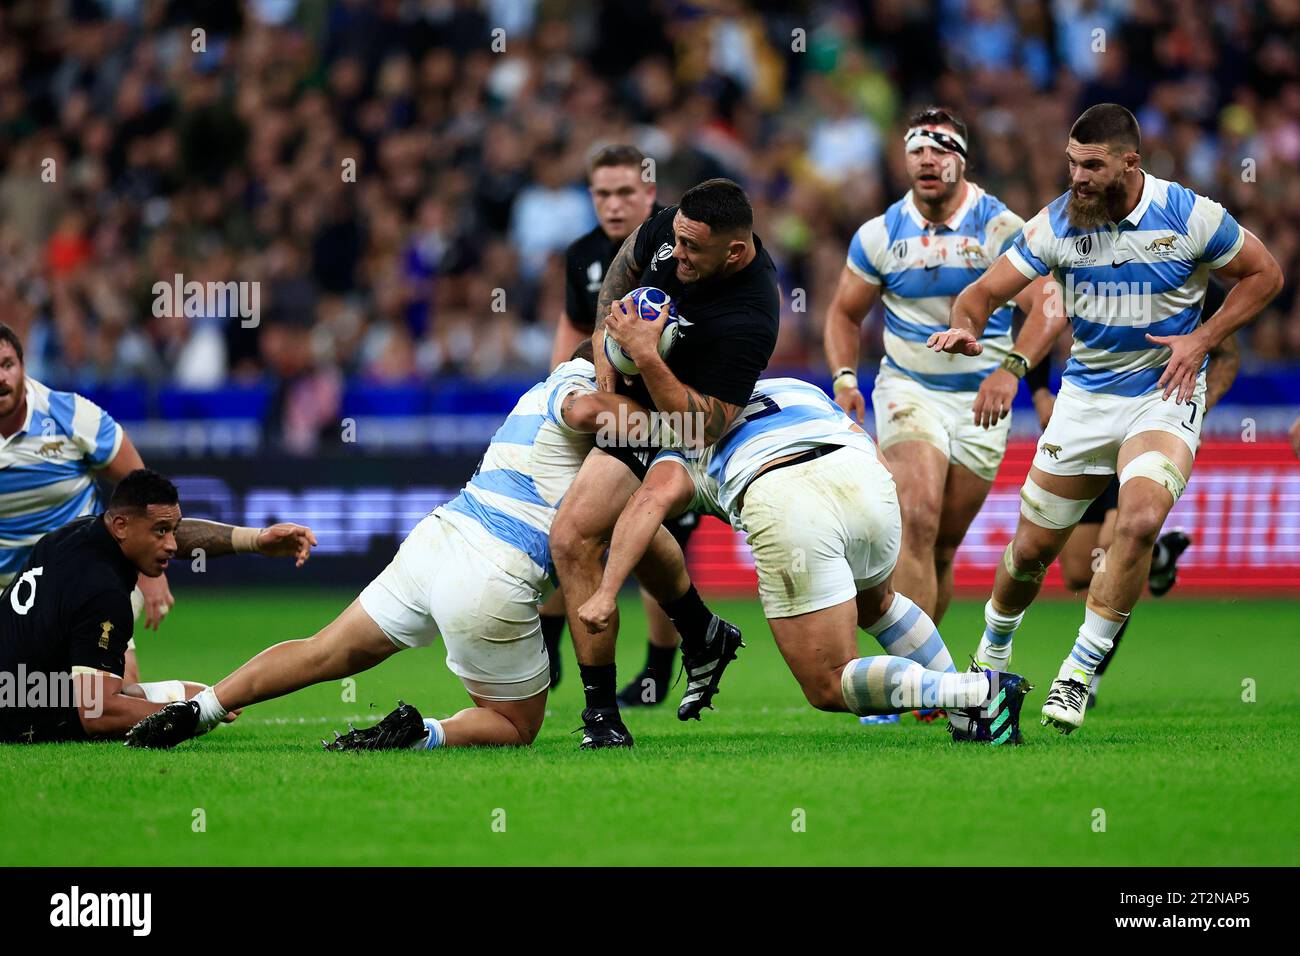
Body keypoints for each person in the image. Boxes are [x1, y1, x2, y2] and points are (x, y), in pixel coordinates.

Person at [124, 346, 687, 751]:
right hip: (494, 573)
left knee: (323, 651)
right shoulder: (602, 404)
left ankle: (202, 709)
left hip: (438, 539)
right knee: (516, 725)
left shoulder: (566, 370)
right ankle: (425, 734)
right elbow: (590, 417)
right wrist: (668, 417)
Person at [928, 103, 1283, 734]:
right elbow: (983, 293)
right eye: (1071, 163)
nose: (1078, 178)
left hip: (1162, 393)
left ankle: (1078, 673)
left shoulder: (1190, 216)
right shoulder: (1058, 222)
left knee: (1141, 519)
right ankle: (993, 651)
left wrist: (1201, 339)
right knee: (1032, 553)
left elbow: (1266, 275)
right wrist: (964, 326)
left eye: (1091, 165)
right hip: (1084, 401)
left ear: (1130, 162)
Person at [575, 377, 1031, 744]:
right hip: (864, 477)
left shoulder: (682, 437)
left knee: (829, 682)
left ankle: (973, 691)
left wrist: (607, 592)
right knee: (880, 602)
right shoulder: (791, 385)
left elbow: (646, 506)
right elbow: (860, 436)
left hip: (785, 495)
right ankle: (969, 716)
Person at [550, 178, 780, 749]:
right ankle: (703, 634)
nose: (676, 257)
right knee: (600, 514)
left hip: (675, 422)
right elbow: (623, 267)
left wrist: (646, 357)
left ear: (734, 251)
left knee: (573, 536)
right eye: (675, 241)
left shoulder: (752, 313)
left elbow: (704, 426)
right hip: (629, 393)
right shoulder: (680, 226)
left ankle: (602, 716)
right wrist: (607, 348)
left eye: (691, 250)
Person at [823, 107, 1056, 627]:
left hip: (981, 402)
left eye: (941, 149)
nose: (927, 159)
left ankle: (927, 673)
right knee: (917, 519)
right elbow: (843, 313)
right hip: (910, 388)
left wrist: (1012, 371)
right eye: (916, 150)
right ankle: (911, 678)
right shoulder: (880, 235)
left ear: (963, 161)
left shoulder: (1000, 228)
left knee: (943, 545)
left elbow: (1049, 305)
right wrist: (844, 377)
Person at [0, 469, 316, 743]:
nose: (172, 545)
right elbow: (97, 713)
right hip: (22, 715)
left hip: (18, 687)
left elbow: (169, 533)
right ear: (121, 526)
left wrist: (255, 540)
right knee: (172, 700)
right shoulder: (103, 592)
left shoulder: (77, 533)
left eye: (172, 531)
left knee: (182, 693)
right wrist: (195, 716)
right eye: (161, 532)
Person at [543, 144, 690, 707]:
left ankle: (656, 674)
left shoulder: (676, 247)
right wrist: (562, 388)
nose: (614, 204)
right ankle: (552, 650)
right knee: (572, 529)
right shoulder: (582, 255)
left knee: (657, 538)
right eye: (602, 193)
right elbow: (572, 326)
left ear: (650, 193)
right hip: (606, 416)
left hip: (668, 421)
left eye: (626, 192)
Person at [1031, 331, 1239, 707]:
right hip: (1088, 424)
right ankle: (1158, 556)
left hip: (1147, 431)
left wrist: (1195, 412)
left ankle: (1087, 675)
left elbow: (1227, 352)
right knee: (1079, 572)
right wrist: (1039, 393)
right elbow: (1038, 326)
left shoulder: (1186, 276)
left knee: (1118, 545)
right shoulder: (1076, 275)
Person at [0, 324, 174, 686]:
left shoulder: (71, 415)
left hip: (81, 581)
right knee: (25, 701)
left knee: (116, 694)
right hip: (6, 592)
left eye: (7, 365)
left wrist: (151, 572)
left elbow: (143, 495)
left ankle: (190, 702)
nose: (0, 377)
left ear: (23, 365)